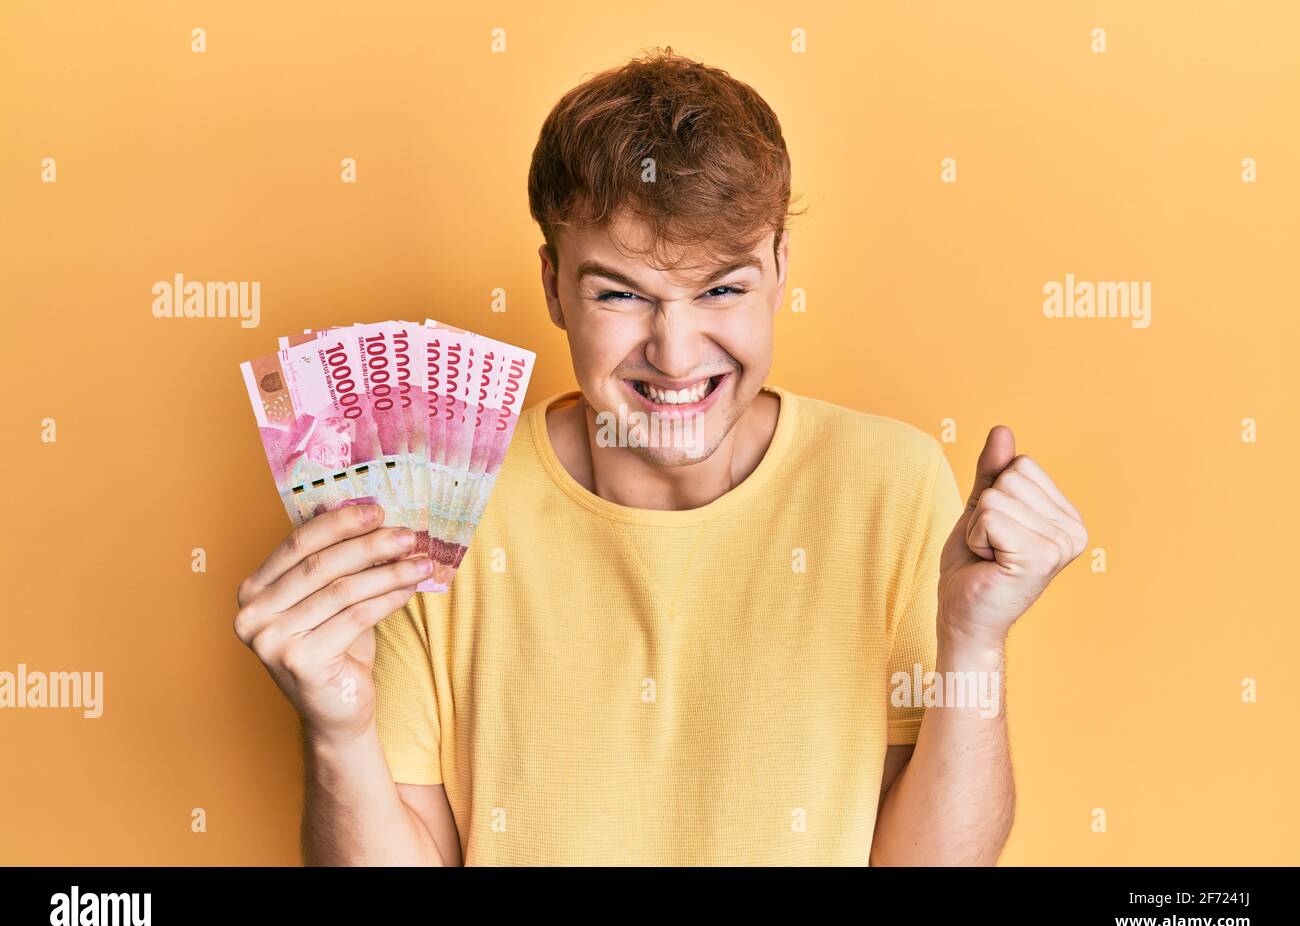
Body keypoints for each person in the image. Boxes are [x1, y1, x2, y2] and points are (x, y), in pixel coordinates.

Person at [233, 47, 1087, 866]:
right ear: (553, 288)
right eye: (620, 294)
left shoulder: (889, 484)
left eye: (721, 288)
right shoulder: (437, 505)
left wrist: (974, 643)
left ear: (781, 268)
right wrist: (338, 732)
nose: (676, 356)